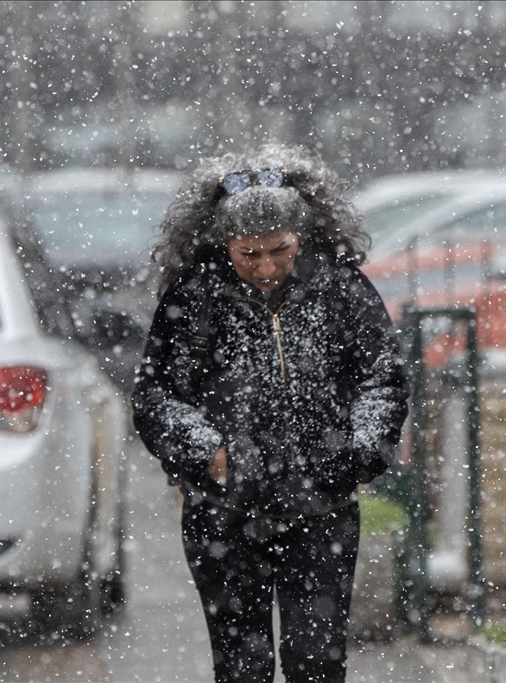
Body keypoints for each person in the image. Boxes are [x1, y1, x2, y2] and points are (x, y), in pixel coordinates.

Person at [132, 144, 409, 683]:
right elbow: (156, 394)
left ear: (301, 234)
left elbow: (382, 378)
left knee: (318, 659)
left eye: (278, 250)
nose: (265, 266)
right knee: (241, 666)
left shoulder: (339, 288)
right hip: (224, 513)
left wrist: (355, 453)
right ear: (223, 244)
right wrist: (206, 452)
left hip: (322, 505)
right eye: (248, 254)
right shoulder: (195, 298)